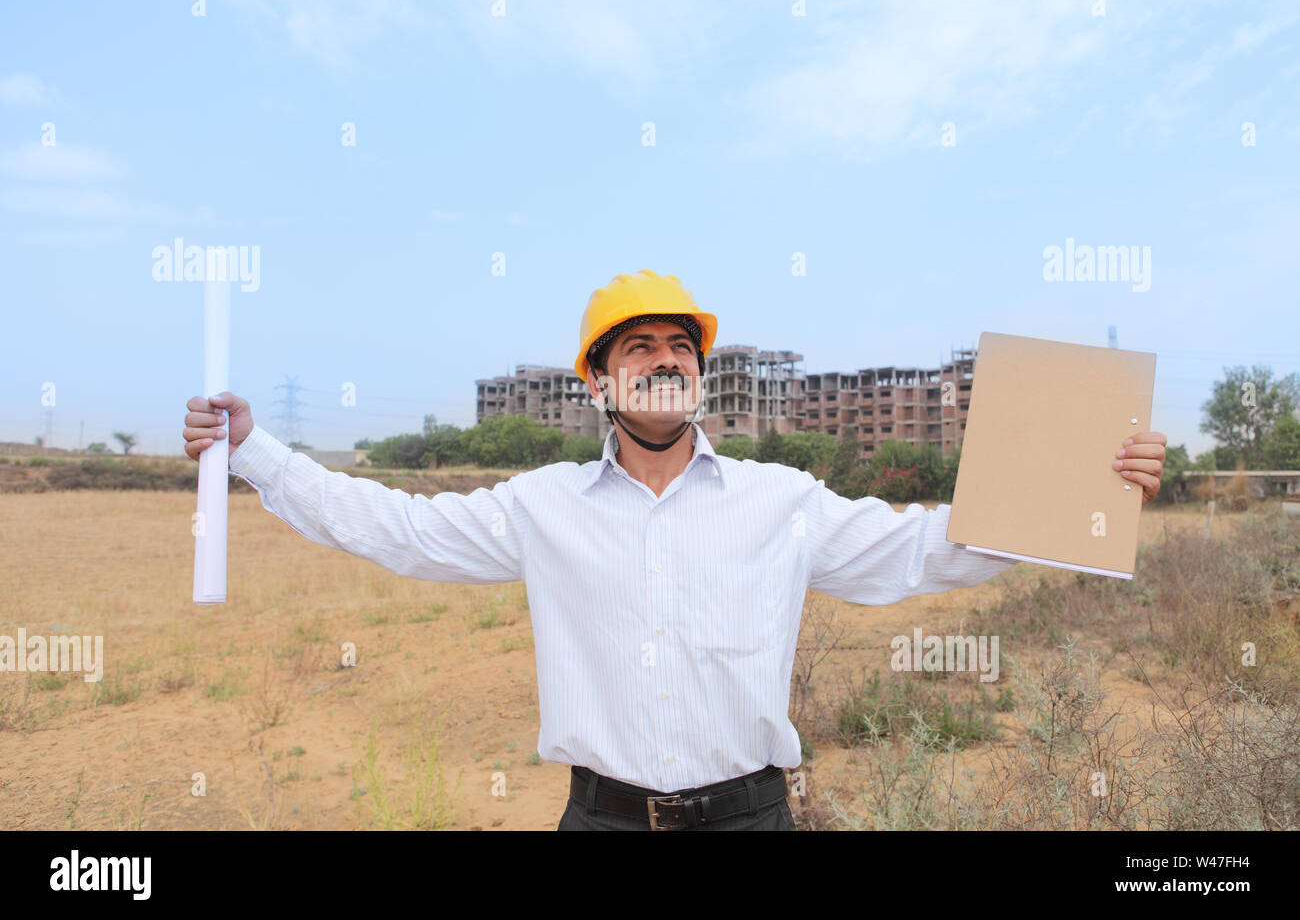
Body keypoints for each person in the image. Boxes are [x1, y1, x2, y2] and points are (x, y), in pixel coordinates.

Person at [183, 268, 1167, 830]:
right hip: (600, 817)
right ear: (602, 384)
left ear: (699, 378)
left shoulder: (783, 501)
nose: (664, 358)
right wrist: (256, 451)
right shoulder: (541, 506)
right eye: (637, 347)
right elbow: (393, 526)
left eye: (679, 347)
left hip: (748, 816)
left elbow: (925, 548)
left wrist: (1087, 486)